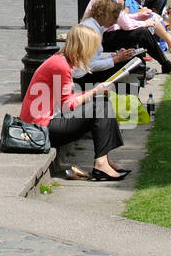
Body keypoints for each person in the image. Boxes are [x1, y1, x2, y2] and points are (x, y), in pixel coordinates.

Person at [20, 25, 128, 181]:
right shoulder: (60, 65)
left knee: (101, 103)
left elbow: (66, 99)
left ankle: (104, 160)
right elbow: (67, 104)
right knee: (101, 106)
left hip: (45, 122)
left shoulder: (61, 61)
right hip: (40, 127)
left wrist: (94, 93)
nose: (92, 53)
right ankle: (102, 163)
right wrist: (94, 91)